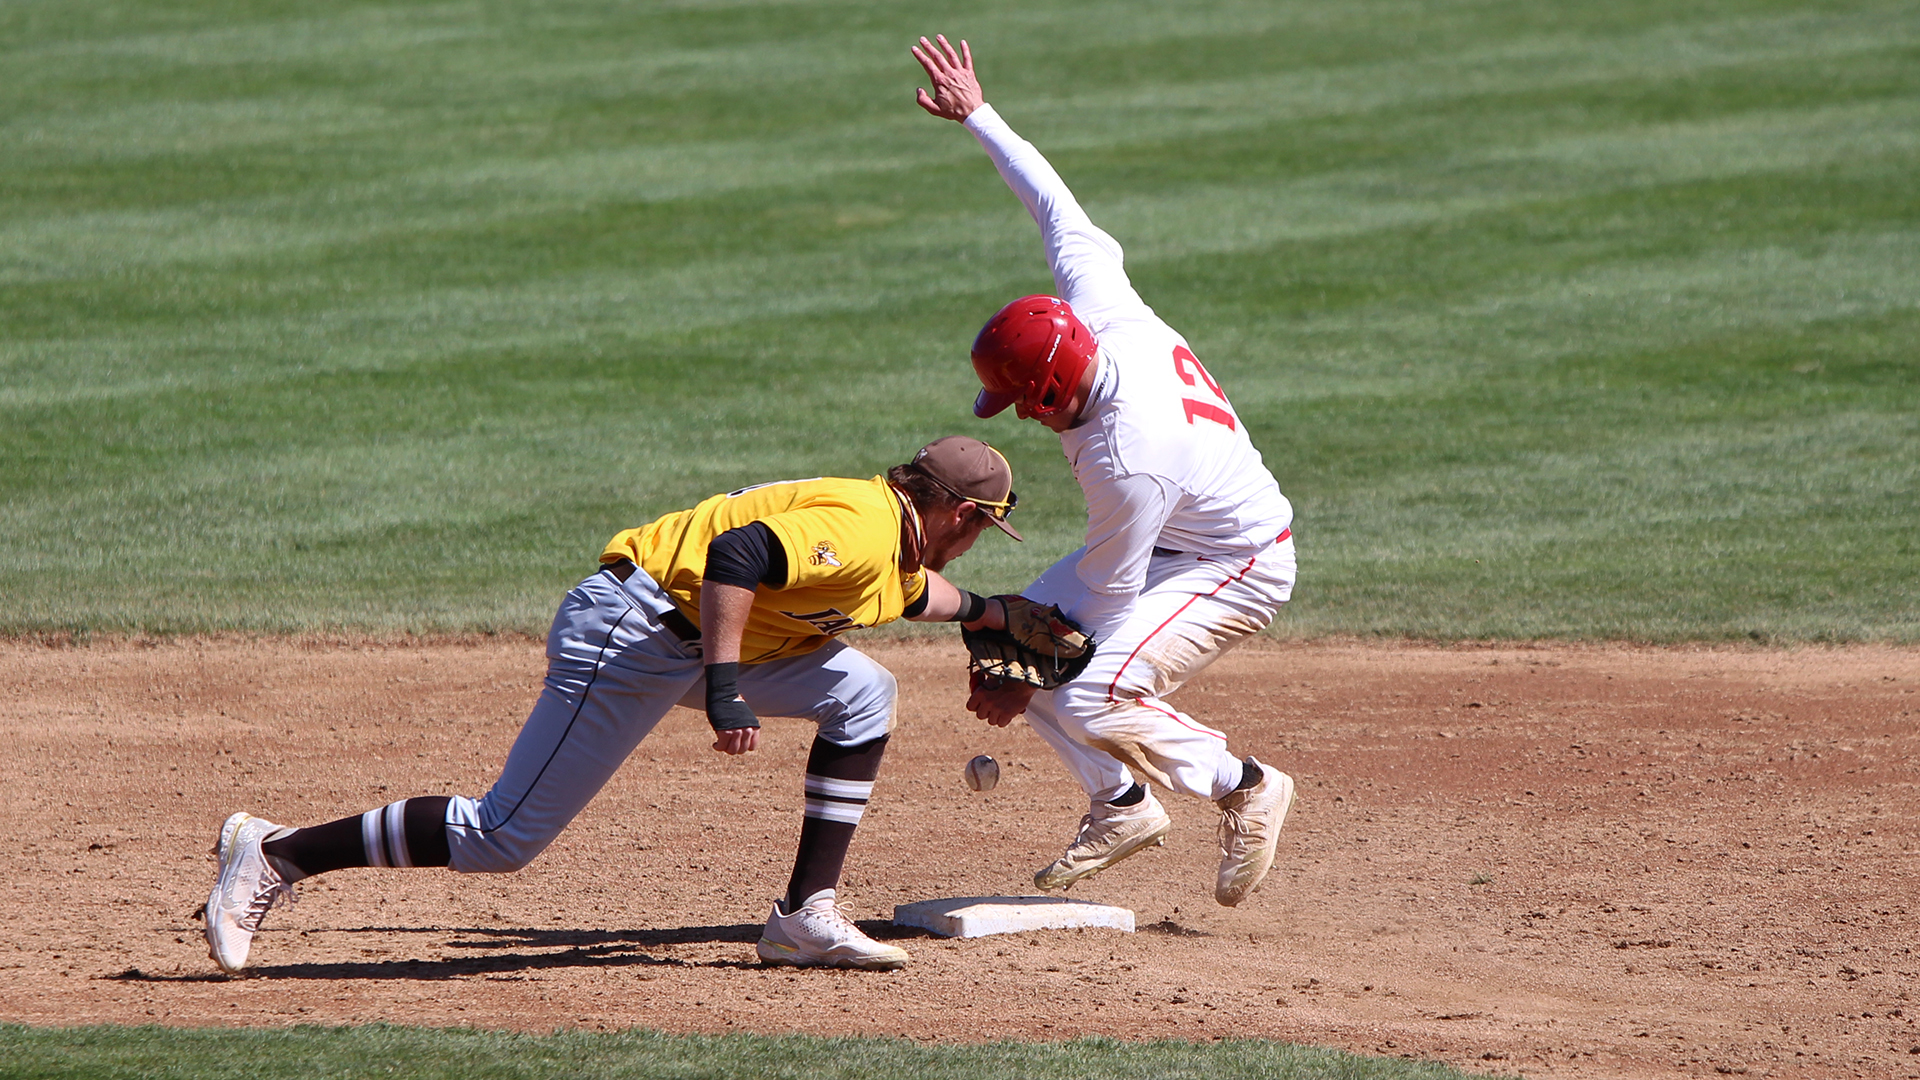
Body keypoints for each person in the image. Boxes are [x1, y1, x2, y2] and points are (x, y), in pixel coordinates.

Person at [203, 436, 1024, 973]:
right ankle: (278, 853)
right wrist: (727, 687)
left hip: (686, 639)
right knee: (500, 837)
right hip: (632, 637)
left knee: (863, 690)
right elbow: (736, 556)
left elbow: (913, 594)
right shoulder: (860, 529)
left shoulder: (890, 536)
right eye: (981, 529)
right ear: (959, 512)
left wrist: (997, 612)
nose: (975, 540)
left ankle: (805, 916)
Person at [912, 36, 1299, 907]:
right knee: (1017, 647)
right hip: (1172, 537)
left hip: (1234, 563)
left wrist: (1024, 661)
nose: (1018, 418)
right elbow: (1054, 205)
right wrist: (979, 112)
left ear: (1050, 390)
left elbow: (1107, 596)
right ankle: (1121, 803)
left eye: (1019, 403)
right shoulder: (1098, 313)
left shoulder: (1127, 458)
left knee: (1077, 685)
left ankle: (1243, 782)